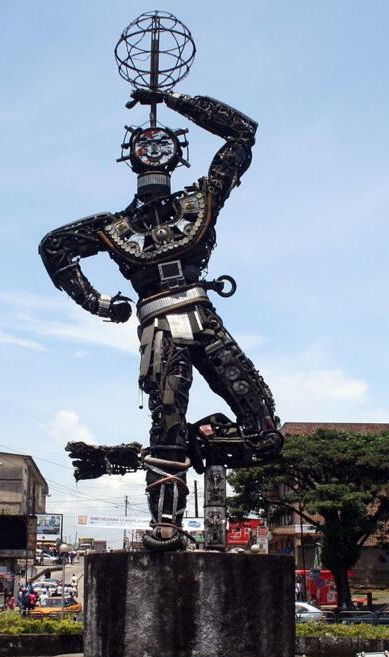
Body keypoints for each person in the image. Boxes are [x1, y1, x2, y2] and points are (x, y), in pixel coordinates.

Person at [42, 88, 282, 552]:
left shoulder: (199, 202)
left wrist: (171, 99)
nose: (153, 156)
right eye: (145, 150)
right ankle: (167, 525)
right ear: (133, 158)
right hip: (157, 325)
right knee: (166, 423)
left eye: (161, 149)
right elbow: (53, 246)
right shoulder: (113, 228)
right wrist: (98, 302)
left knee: (266, 432)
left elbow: (242, 133)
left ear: (175, 155)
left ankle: (165, 452)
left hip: (202, 316)